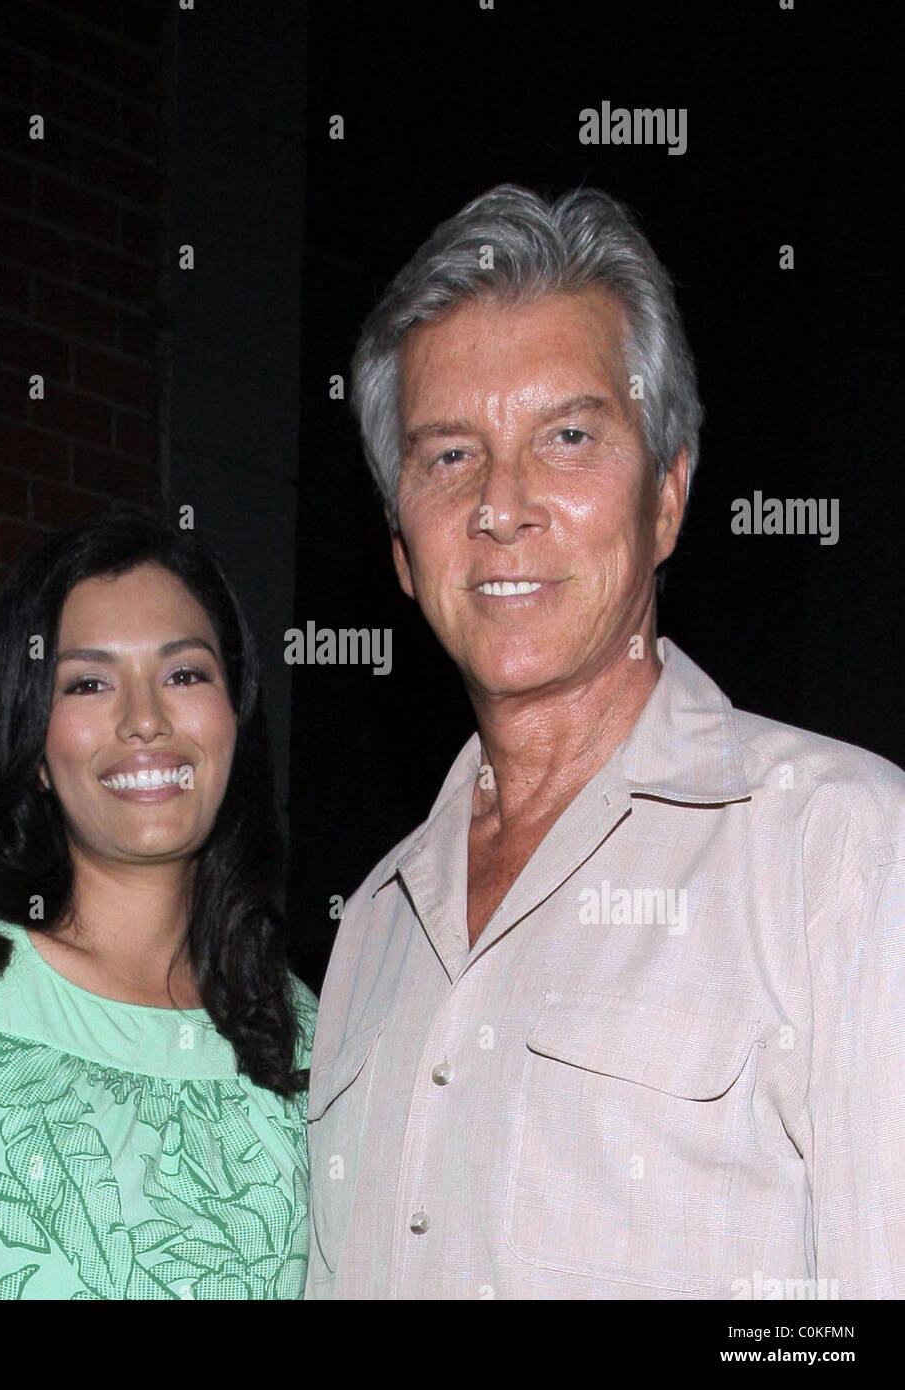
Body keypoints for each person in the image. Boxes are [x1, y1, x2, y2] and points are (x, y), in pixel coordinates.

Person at [304, 183, 905, 1299]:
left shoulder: (845, 854)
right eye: (448, 456)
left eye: (569, 436)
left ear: (668, 497)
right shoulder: (372, 930)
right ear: (400, 546)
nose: (503, 504)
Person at [0, 507, 316, 1300]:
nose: (145, 718)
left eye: (184, 674)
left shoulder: (306, 1034)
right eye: (88, 683)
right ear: (35, 748)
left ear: (234, 720)